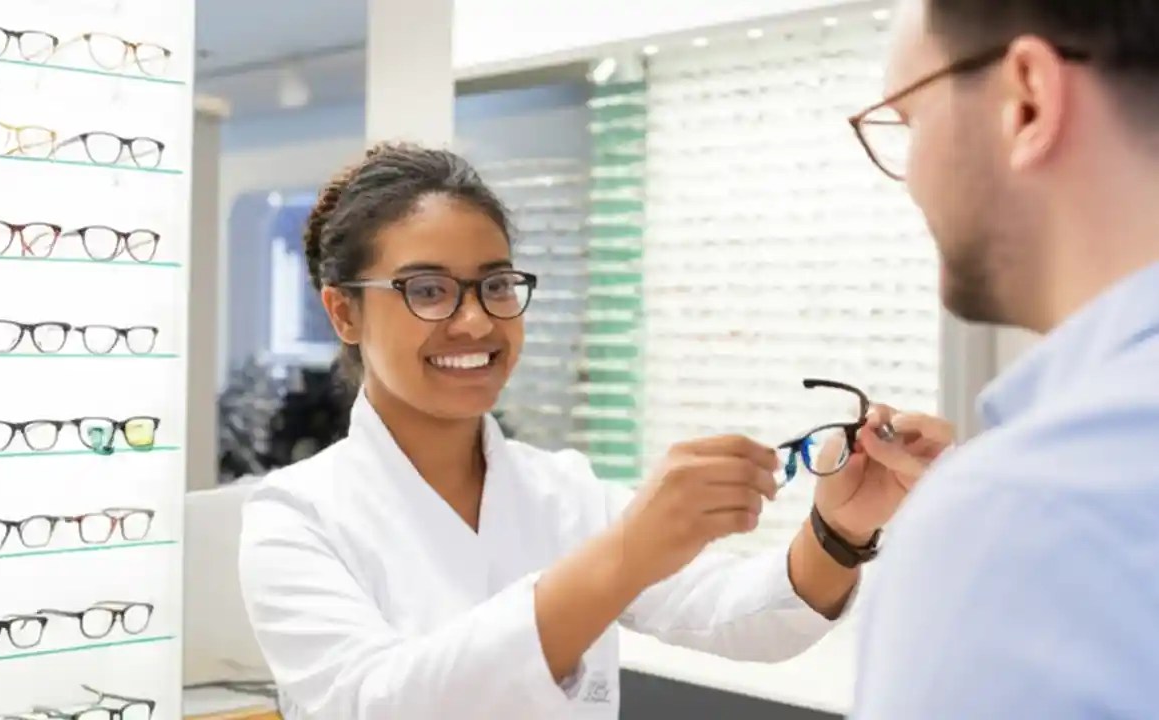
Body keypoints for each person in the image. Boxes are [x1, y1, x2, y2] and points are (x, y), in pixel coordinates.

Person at [236, 143, 952, 719]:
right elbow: (383, 705)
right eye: (427, 290)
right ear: (344, 314)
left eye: (496, 284)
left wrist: (838, 531)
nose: (478, 321)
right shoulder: (295, 518)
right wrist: (626, 554)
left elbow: (738, 619)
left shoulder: (565, 490)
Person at [848, 1, 1159, 717]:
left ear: (1028, 100)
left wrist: (982, 511)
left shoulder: (1020, 526)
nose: (909, 178)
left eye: (909, 122)